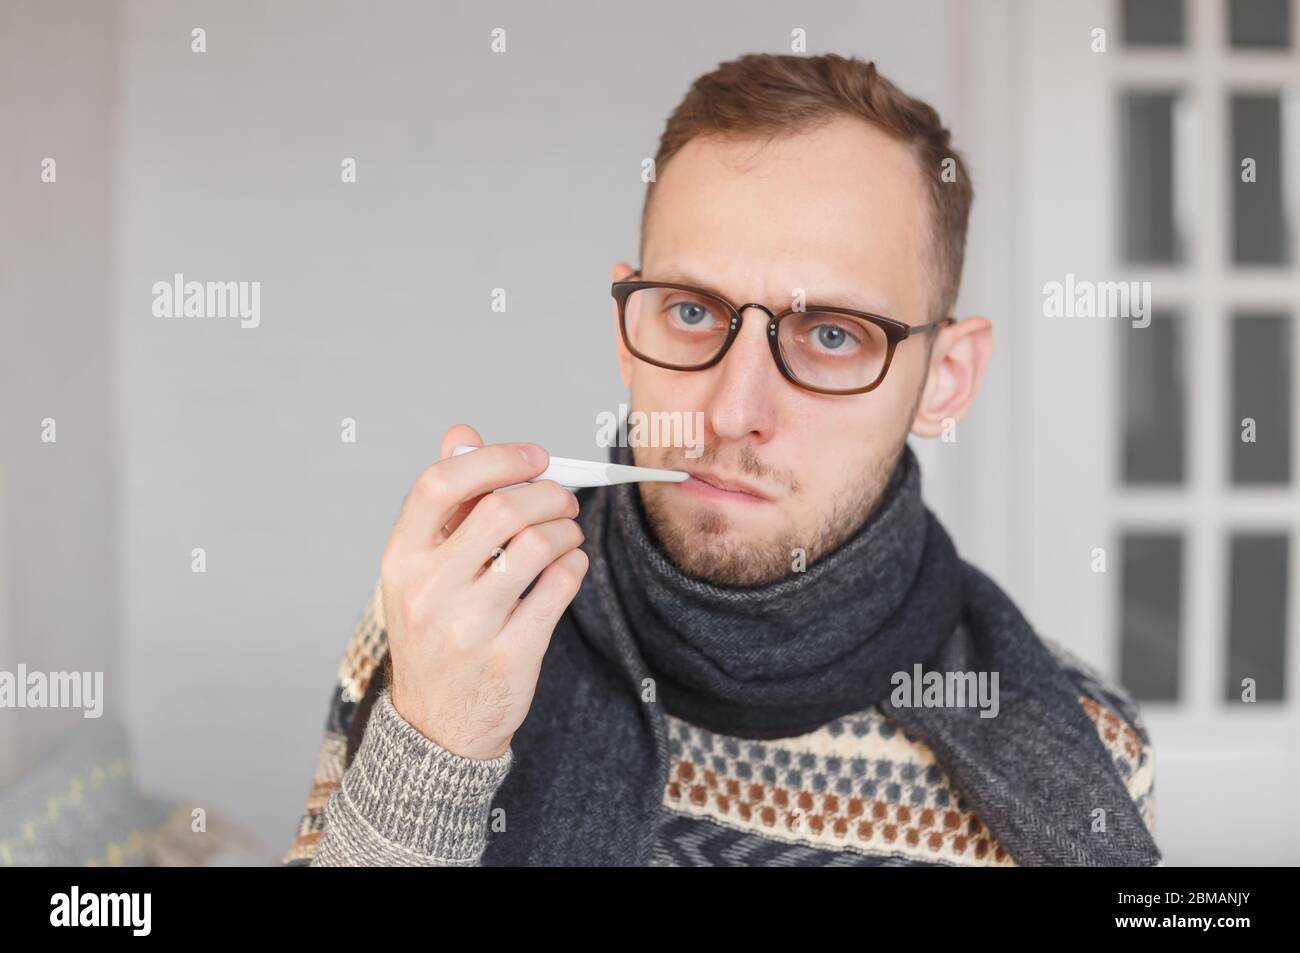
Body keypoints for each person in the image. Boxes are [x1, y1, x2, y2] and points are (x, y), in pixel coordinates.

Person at [285, 52, 1160, 867]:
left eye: (830, 335)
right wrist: (432, 750)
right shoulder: (455, 623)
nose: (733, 414)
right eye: (693, 313)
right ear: (626, 333)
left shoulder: (1090, 748)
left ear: (946, 379)